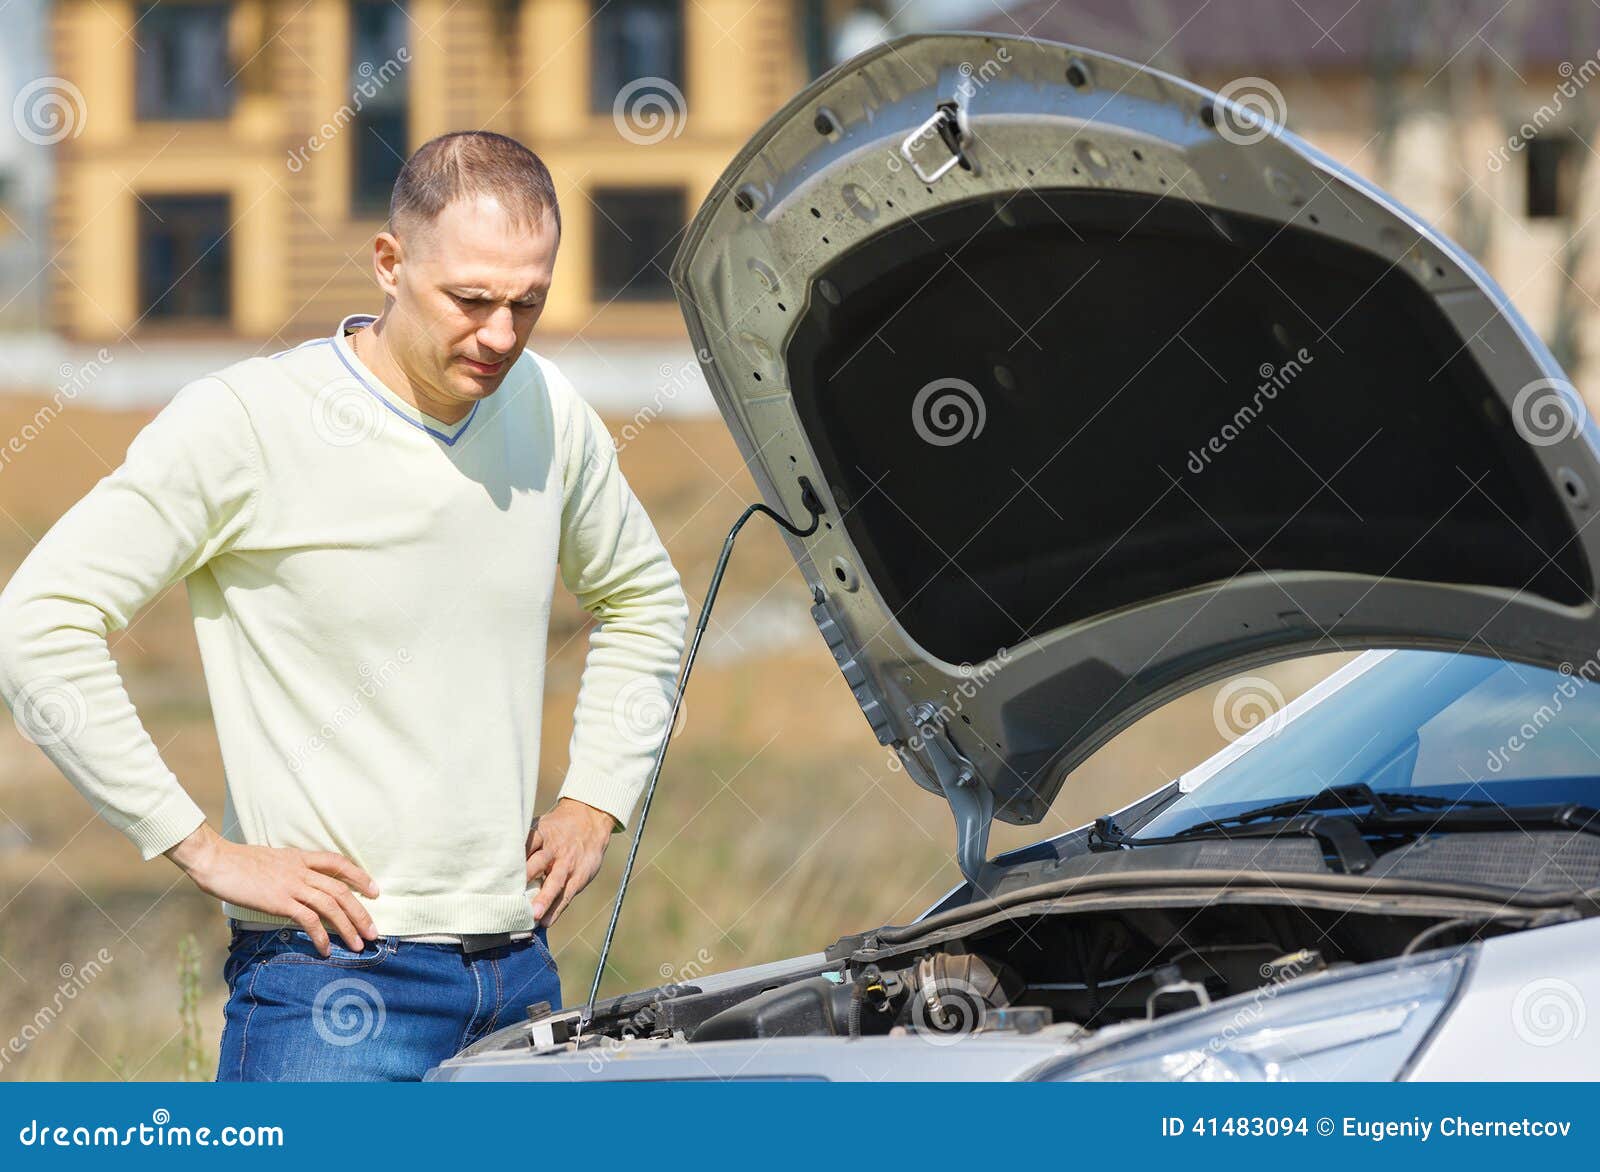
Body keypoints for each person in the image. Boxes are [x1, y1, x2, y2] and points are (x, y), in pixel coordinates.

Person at [0, 131, 689, 1080]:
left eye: (528, 302)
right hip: (327, 985)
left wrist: (595, 799)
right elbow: (37, 622)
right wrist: (200, 848)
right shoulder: (244, 420)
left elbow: (646, 599)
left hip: (517, 975)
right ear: (389, 262)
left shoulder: (548, 409)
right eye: (472, 299)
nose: (500, 334)